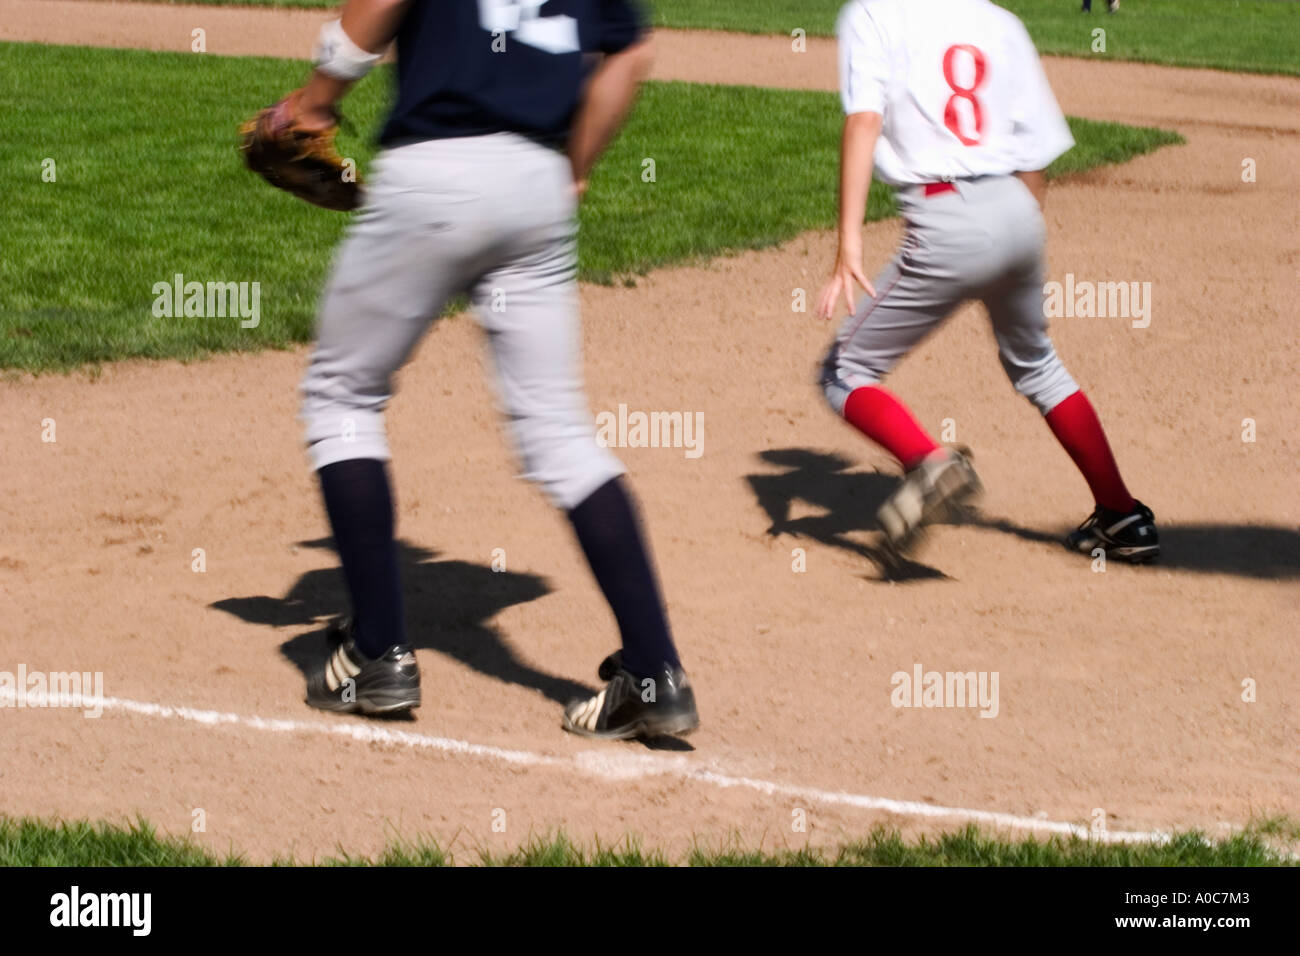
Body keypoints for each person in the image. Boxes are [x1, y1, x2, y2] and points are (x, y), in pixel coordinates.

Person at [286, 0, 699, 740]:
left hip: (434, 172)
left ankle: (379, 652)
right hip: (535, 187)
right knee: (561, 437)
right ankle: (655, 673)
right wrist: (572, 168)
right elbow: (632, 55)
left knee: (340, 395)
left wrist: (316, 104)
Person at [816, 0, 1157, 565]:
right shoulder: (1001, 22)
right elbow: (1036, 153)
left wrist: (848, 240)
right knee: (1040, 366)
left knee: (842, 372)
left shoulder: (874, 13)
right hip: (1018, 210)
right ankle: (1123, 516)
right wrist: (1013, 238)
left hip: (945, 218)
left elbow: (864, 120)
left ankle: (929, 461)